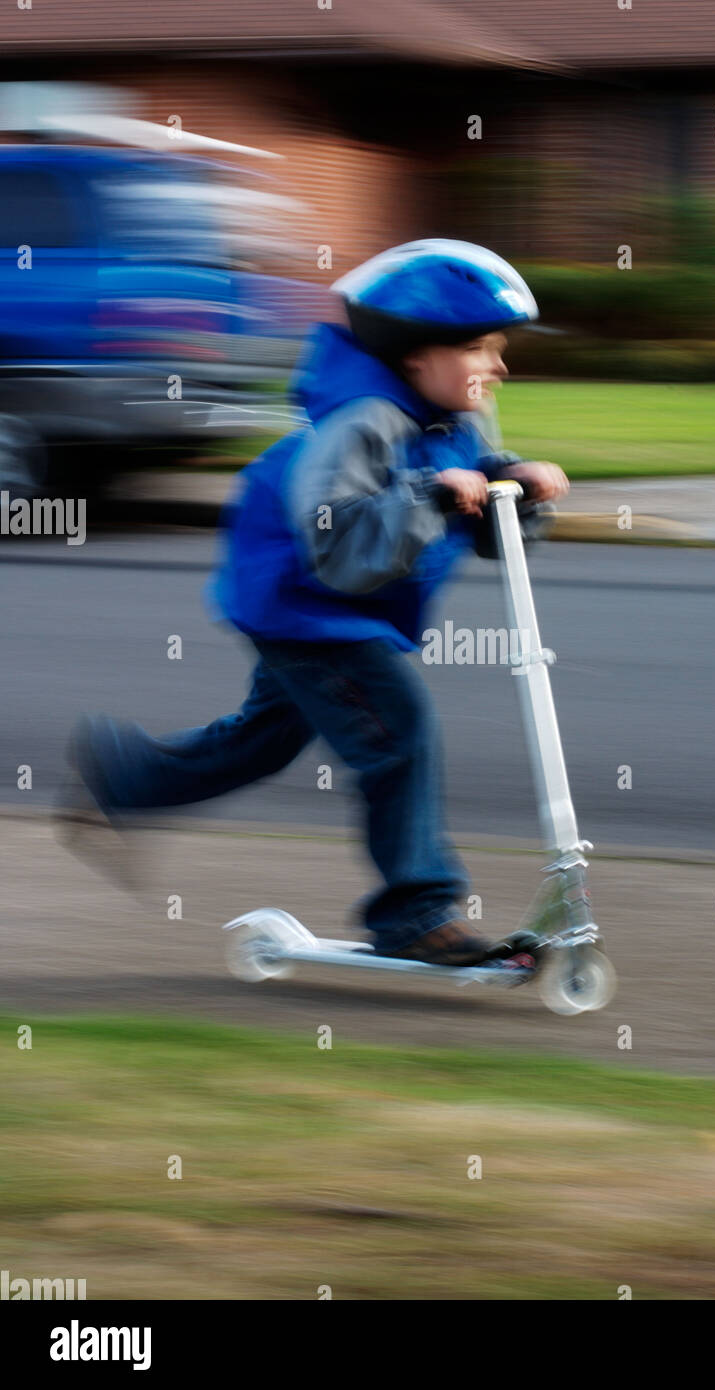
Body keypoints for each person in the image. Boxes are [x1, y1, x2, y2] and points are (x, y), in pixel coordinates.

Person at [56, 239, 569, 966]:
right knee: (397, 731)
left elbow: (475, 493)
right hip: (304, 606)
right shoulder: (357, 424)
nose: (499, 365)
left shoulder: (450, 421)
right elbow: (339, 542)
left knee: (262, 740)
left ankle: (122, 772)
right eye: (480, 347)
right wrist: (431, 495)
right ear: (416, 355)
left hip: (338, 608)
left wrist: (510, 483)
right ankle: (415, 913)